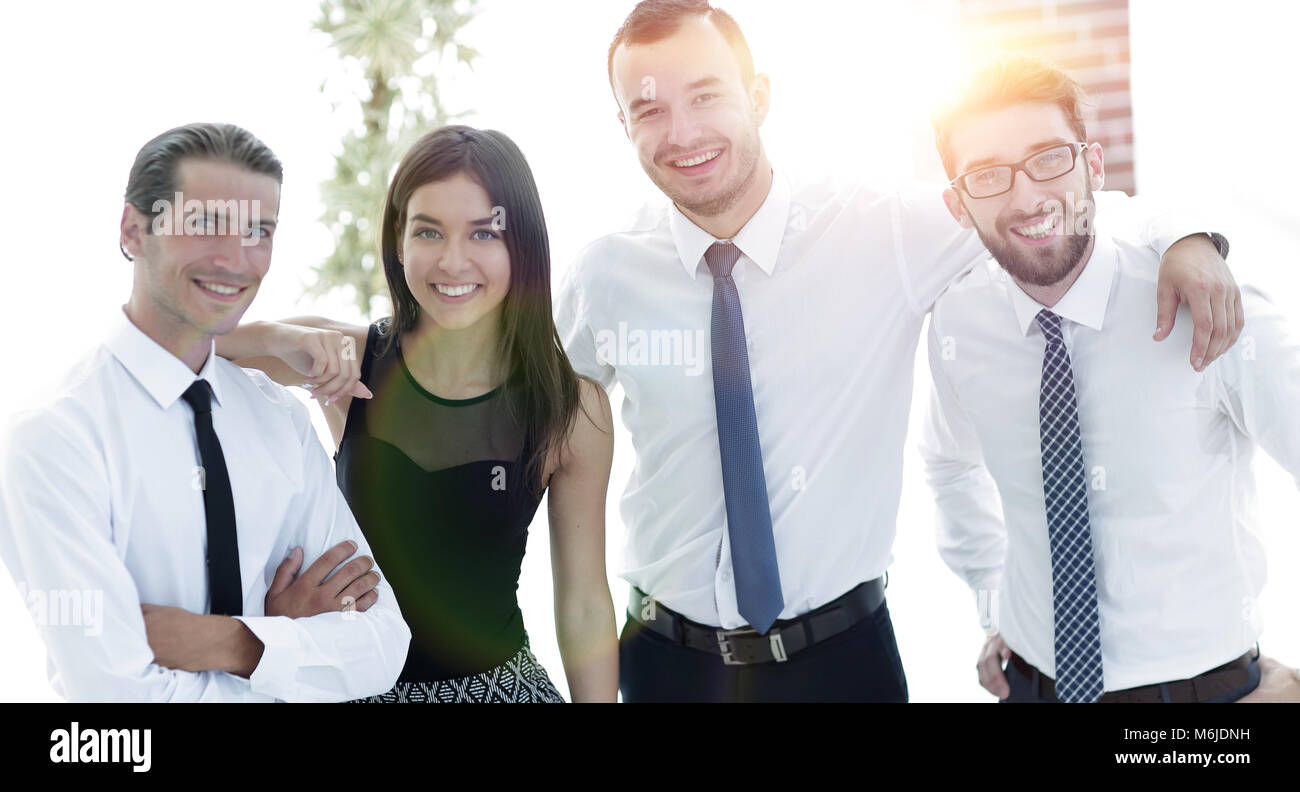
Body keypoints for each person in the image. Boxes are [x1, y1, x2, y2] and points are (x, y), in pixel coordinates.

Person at [553, 0, 1243, 702]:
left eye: (705, 95)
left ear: (759, 96)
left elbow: (1045, 205)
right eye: (650, 110)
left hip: (845, 664)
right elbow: (535, 452)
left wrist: (1185, 234)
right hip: (668, 666)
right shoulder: (603, 279)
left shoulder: (880, 233)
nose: (683, 132)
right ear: (622, 125)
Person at [921, 55, 1300, 703]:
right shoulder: (960, 322)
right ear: (958, 204)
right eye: (988, 175)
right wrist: (994, 602)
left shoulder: (1208, 305)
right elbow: (949, 466)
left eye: (1049, 158)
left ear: (1093, 167)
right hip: (1032, 688)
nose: (1027, 196)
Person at [0, 122, 411, 701]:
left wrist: (236, 643)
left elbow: (381, 645)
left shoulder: (280, 421)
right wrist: (287, 646)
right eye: (206, 224)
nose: (236, 260)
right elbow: (115, 694)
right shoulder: (56, 438)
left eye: (259, 230)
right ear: (132, 231)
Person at [216, 126, 618, 703]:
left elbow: (583, 602)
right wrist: (282, 337)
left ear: (522, 246)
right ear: (398, 242)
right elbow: (183, 350)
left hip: (500, 692)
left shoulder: (572, 408)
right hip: (352, 685)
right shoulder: (350, 360)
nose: (453, 262)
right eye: (428, 231)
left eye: (483, 233)